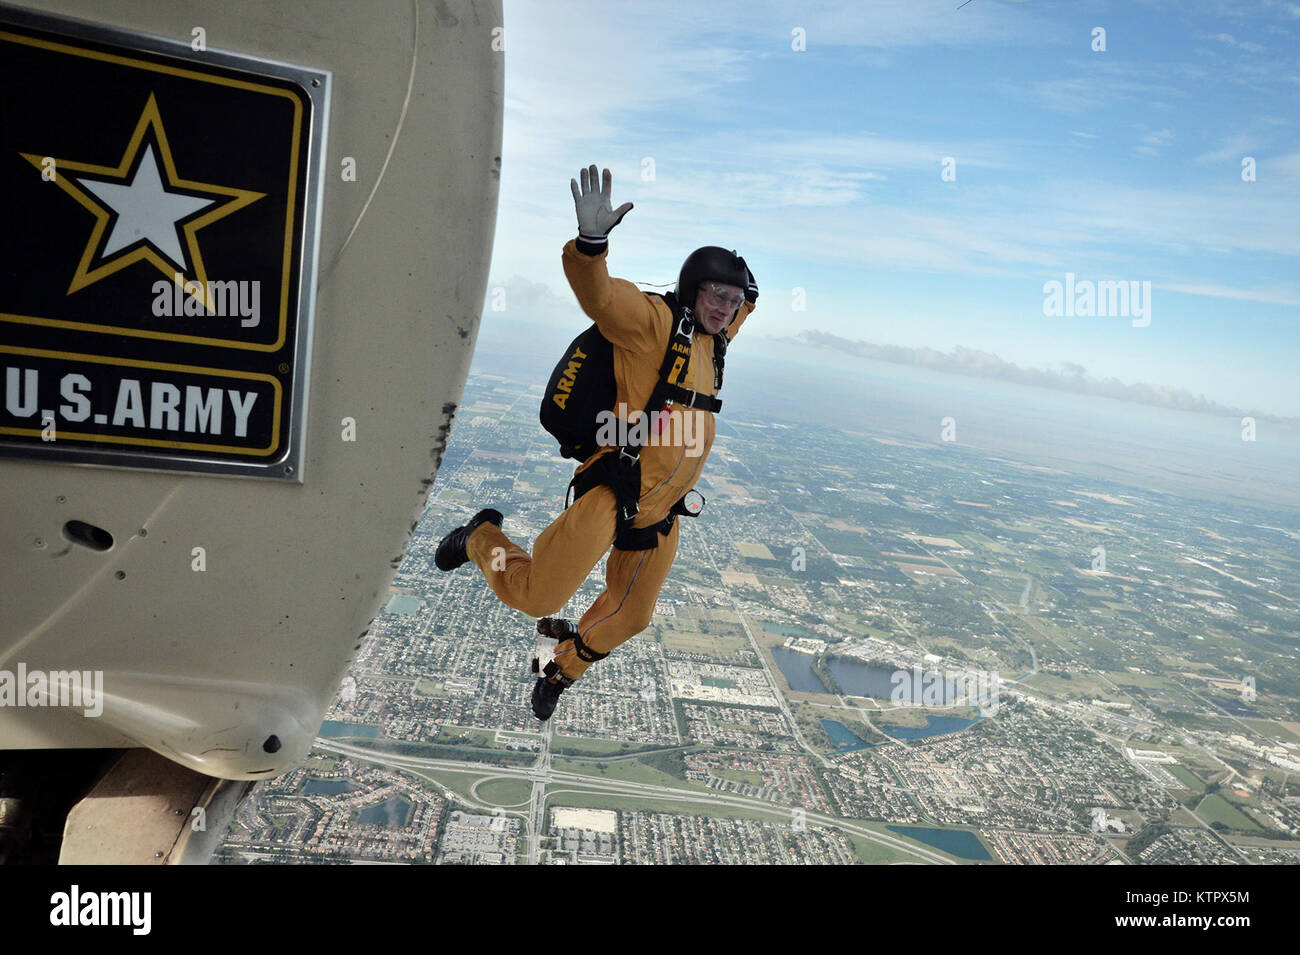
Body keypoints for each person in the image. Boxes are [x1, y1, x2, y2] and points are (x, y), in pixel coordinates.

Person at [434, 164, 758, 720]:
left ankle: (562, 668)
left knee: (631, 616)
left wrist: (741, 284)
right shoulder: (654, 322)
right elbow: (601, 298)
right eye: (715, 295)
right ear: (691, 289)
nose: (725, 307)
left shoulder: (715, 341)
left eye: (733, 300)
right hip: (618, 491)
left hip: (662, 510)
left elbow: (743, 304)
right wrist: (591, 245)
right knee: (537, 595)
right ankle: (480, 537)